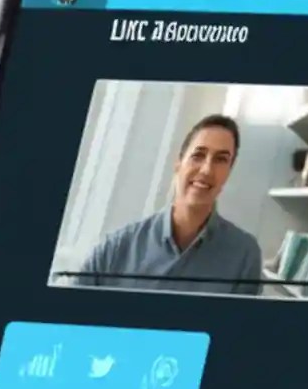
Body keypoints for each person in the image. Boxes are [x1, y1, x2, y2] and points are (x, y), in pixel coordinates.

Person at [73, 114, 265, 295]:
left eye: (221, 160)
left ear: (229, 172)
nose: (207, 170)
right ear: (178, 164)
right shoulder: (114, 250)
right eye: (198, 155)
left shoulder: (245, 255)